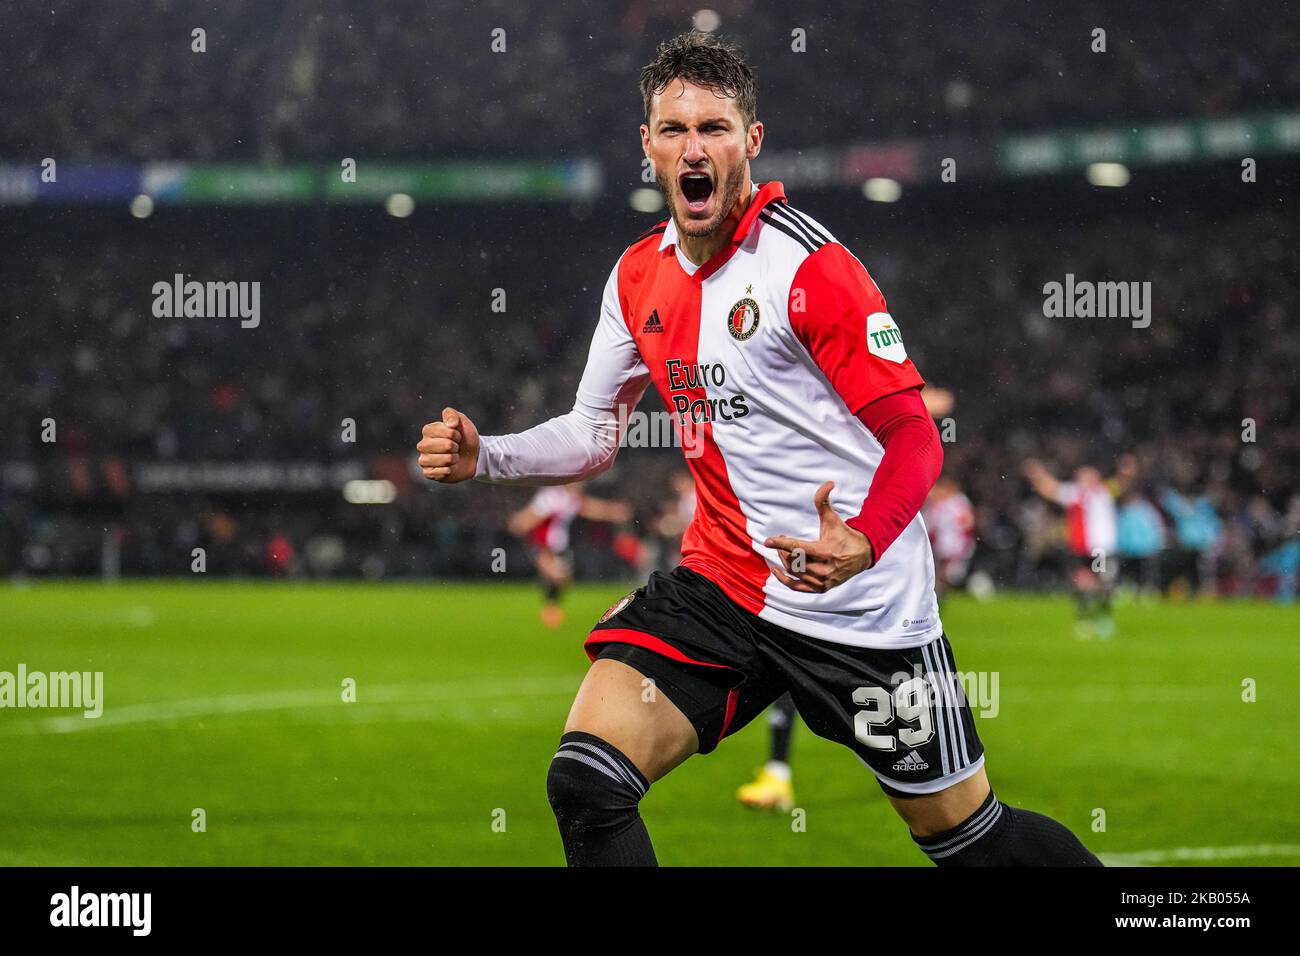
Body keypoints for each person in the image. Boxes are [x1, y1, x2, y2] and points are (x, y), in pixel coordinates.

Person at [417, 31, 1100, 867]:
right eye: (674, 129)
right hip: (726, 585)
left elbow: (915, 433)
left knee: (968, 839)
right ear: (648, 147)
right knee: (587, 782)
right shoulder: (636, 277)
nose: (693, 147)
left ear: (752, 141)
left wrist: (864, 538)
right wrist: (487, 453)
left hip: (861, 603)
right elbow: (595, 435)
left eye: (714, 127)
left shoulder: (812, 270)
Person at [506, 481, 631, 628]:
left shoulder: (570, 499)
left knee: (563, 578)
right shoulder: (551, 496)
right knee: (556, 575)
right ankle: (550, 608)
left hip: (558, 545)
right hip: (542, 545)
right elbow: (533, 514)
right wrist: (522, 523)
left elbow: (589, 507)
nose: (580, 487)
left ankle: (549, 600)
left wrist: (613, 511)